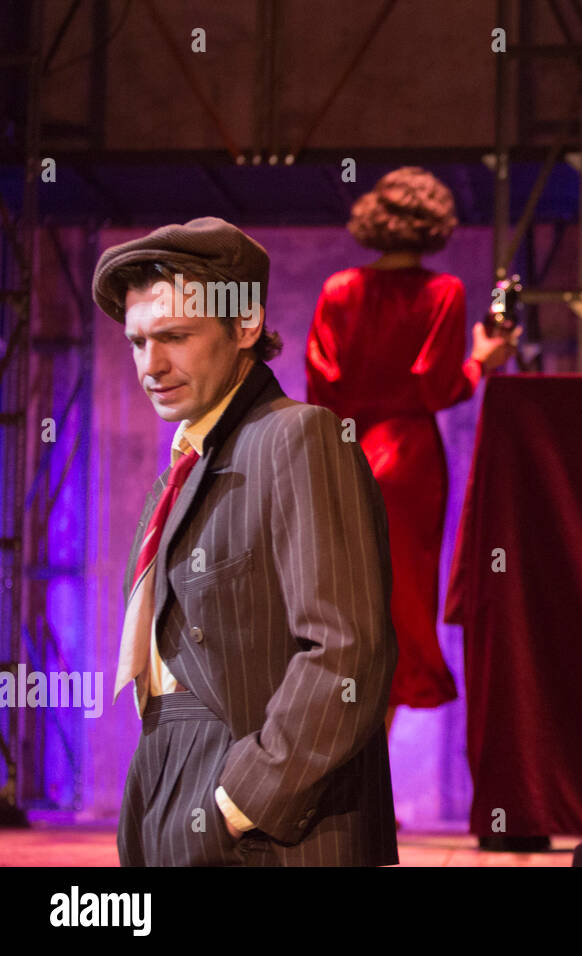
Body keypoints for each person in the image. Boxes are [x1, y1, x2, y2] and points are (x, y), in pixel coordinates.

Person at [94, 216, 400, 866]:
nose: (151, 366)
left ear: (245, 326)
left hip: (265, 816)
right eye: (137, 342)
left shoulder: (297, 436)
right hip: (168, 767)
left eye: (174, 336)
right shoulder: (185, 465)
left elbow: (346, 648)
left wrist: (239, 803)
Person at [306, 166, 517, 736]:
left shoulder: (338, 290)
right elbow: (437, 385)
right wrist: (482, 364)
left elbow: (320, 387)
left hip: (342, 454)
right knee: (400, 608)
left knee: (343, 608)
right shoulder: (443, 293)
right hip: (410, 460)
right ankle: (368, 764)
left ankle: (338, 765)